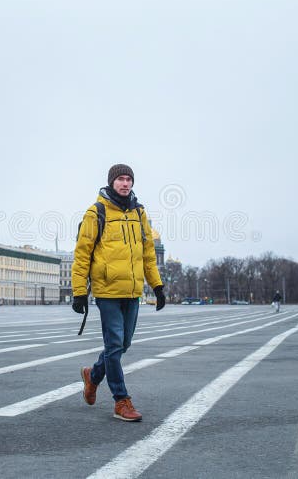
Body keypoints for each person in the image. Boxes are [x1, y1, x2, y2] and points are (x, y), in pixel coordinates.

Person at [72, 164, 165, 422]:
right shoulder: (96, 212)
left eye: (128, 179)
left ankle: (93, 375)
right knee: (114, 345)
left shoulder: (139, 213)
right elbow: (82, 255)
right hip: (107, 290)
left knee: (123, 344)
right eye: (120, 179)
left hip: (133, 290)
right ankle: (121, 401)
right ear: (111, 182)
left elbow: (148, 253)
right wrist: (79, 291)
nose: (125, 183)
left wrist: (157, 286)